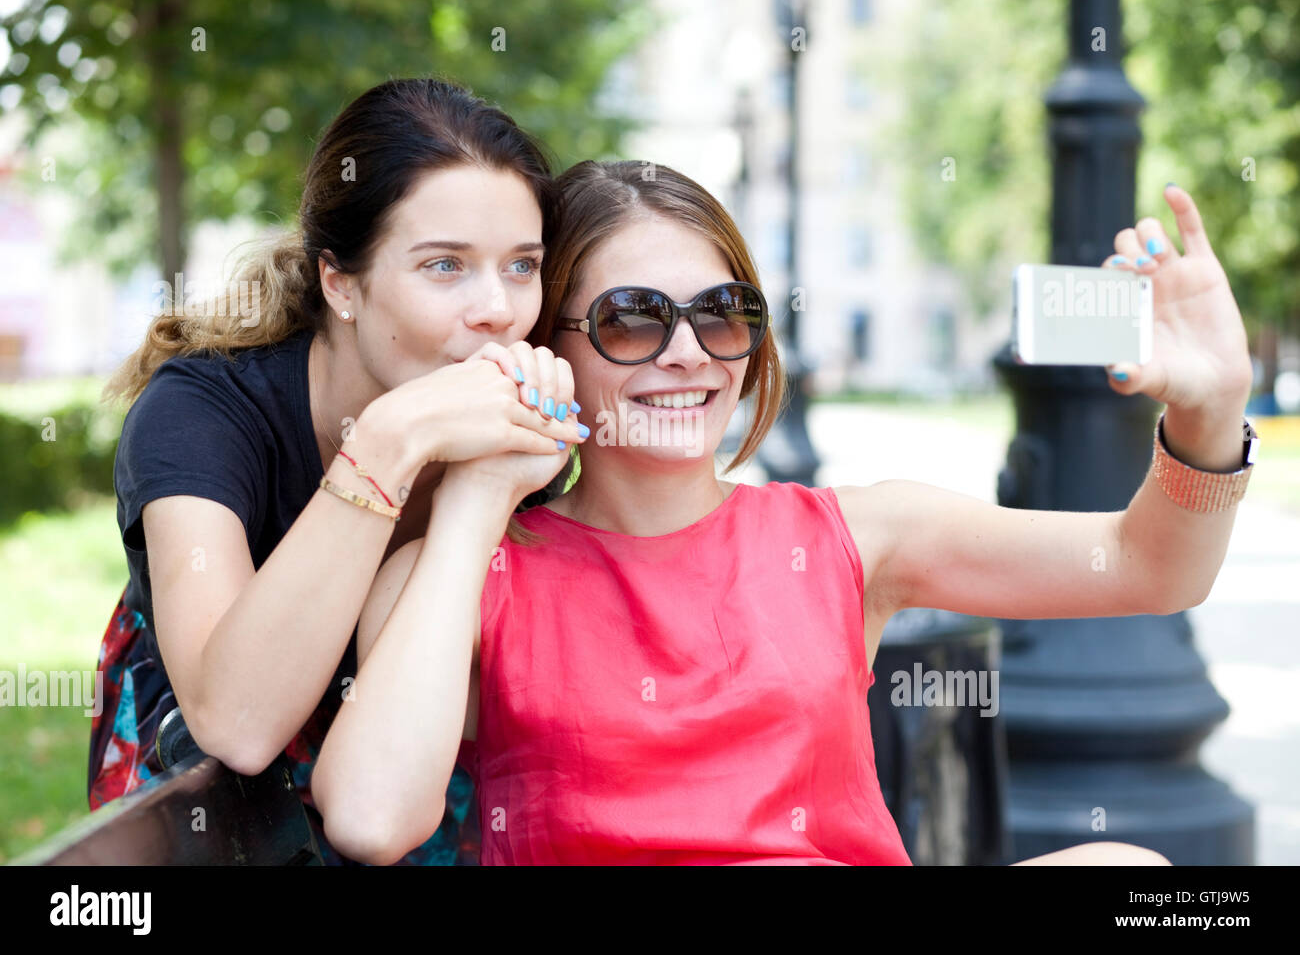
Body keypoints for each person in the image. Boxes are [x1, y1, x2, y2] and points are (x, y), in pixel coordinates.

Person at [313, 160, 1256, 865]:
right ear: (548, 342)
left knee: (1134, 875)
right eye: (633, 319)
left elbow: (1151, 567)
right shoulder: (463, 569)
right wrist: (482, 493)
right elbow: (370, 819)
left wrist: (1209, 410)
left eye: (722, 315)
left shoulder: (855, 536)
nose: (687, 353)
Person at [90, 77, 586, 865]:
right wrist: (389, 443)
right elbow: (238, 723)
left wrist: (479, 489)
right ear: (340, 282)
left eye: (521, 266)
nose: (499, 308)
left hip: (407, 795)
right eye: (445, 266)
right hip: (209, 813)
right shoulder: (201, 411)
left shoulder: (513, 433)